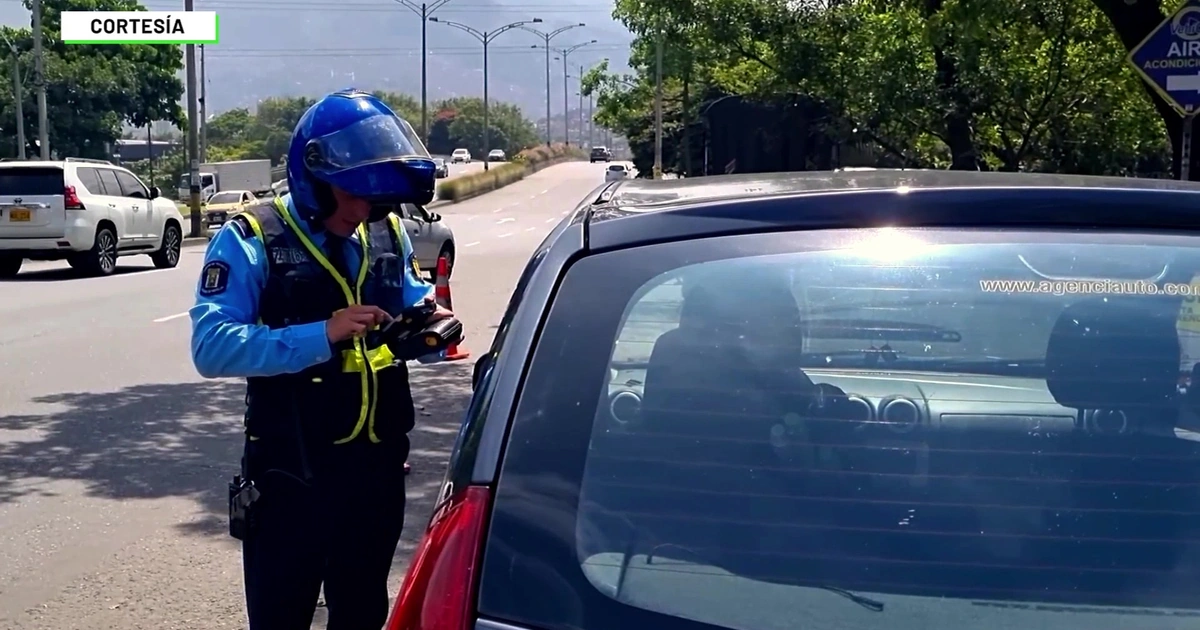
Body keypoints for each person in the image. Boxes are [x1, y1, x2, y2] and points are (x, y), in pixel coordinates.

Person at [189, 89, 451, 630]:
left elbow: (410, 297)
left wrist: (430, 325)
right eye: (350, 195)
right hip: (291, 475)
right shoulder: (251, 235)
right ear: (313, 179)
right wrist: (321, 334)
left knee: (361, 612)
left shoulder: (386, 228)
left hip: (376, 472)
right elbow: (211, 347)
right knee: (281, 615)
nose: (362, 211)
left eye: (374, 198)